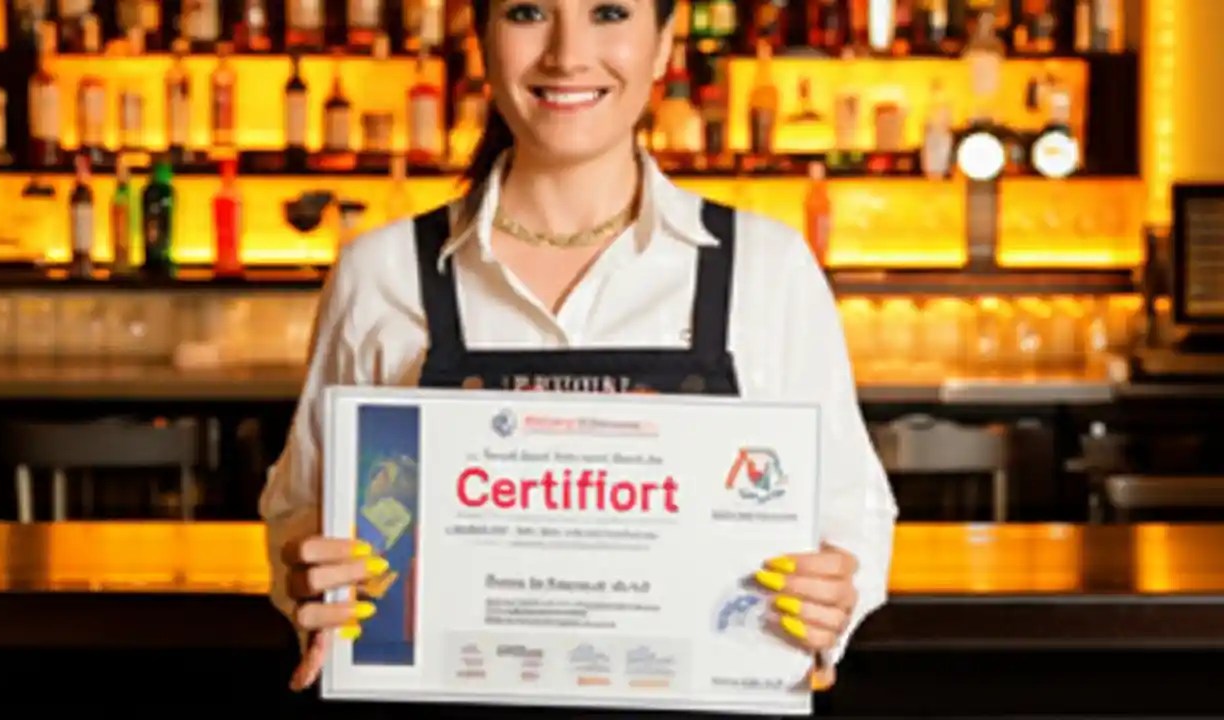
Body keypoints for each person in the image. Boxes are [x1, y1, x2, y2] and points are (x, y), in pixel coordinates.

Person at [260, 0, 898, 699]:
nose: (567, 53)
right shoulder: (381, 272)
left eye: (609, 13)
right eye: (528, 13)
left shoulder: (764, 267)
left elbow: (851, 509)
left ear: (662, 47)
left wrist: (832, 596)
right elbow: (300, 505)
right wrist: (312, 583)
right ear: (483, 41)